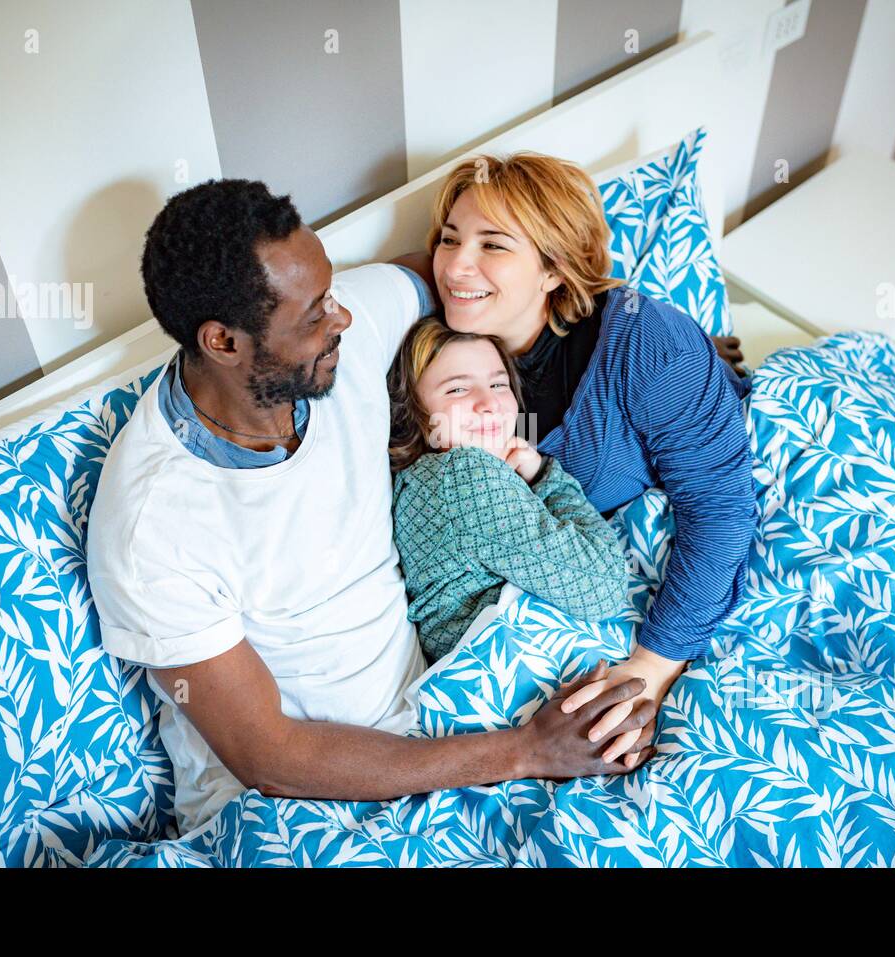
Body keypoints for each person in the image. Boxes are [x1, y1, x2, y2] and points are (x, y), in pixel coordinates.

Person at [85, 179, 656, 836]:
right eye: (314, 314)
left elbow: (452, 278)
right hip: (292, 806)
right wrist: (526, 751)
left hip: (440, 713)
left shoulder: (340, 329)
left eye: (331, 292)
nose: (344, 318)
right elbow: (270, 757)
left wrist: (619, 347)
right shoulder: (152, 523)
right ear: (223, 342)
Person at [394, 151, 758, 764]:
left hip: (688, 540)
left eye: (494, 245)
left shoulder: (644, 344)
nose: (457, 264)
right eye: (449, 239)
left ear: (554, 270)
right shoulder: (446, 356)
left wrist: (653, 663)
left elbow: (720, 511)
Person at [387, 317, 628, 666]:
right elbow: (602, 587)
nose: (490, 403)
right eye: (457, 389)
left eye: (499, 385)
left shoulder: (423, 480)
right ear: (415, 413)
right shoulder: (463, 476)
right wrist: (546, 478)